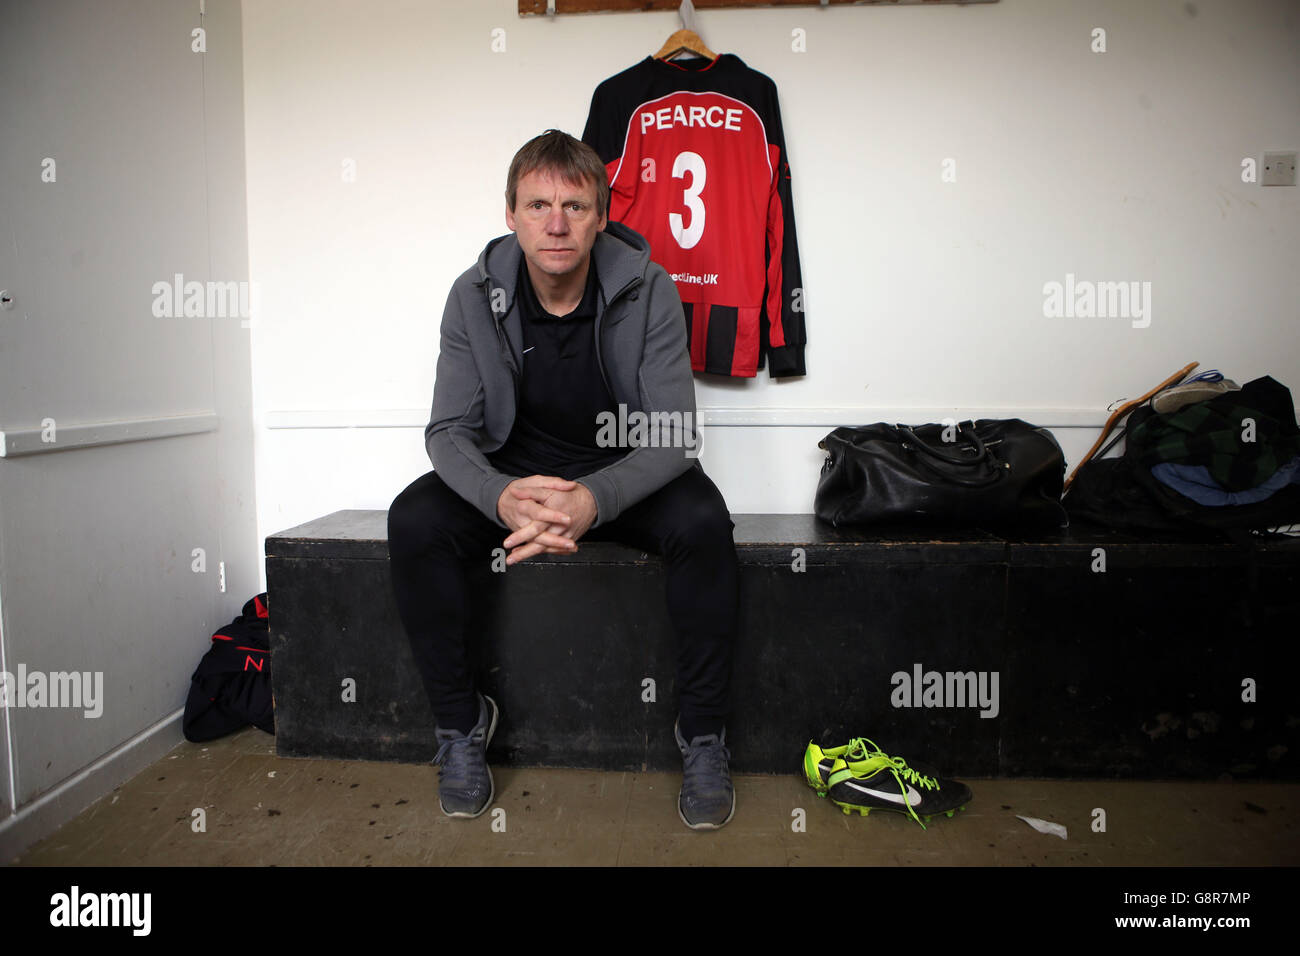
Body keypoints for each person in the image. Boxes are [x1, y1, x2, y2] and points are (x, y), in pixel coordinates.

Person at [387, 129, 740, 829]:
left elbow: (673, 434)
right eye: (538, 204)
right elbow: (446, 432)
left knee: (704, 522)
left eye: (575, 206)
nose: (556, 223)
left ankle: (702, 736)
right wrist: (499, 496)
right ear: (510, 214)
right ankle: (460, 727)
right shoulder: (472, 295)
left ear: (601, 215)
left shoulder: (649, 287)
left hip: (622, 476)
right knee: (414, 519)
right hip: (514, 478)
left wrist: (592, 501)